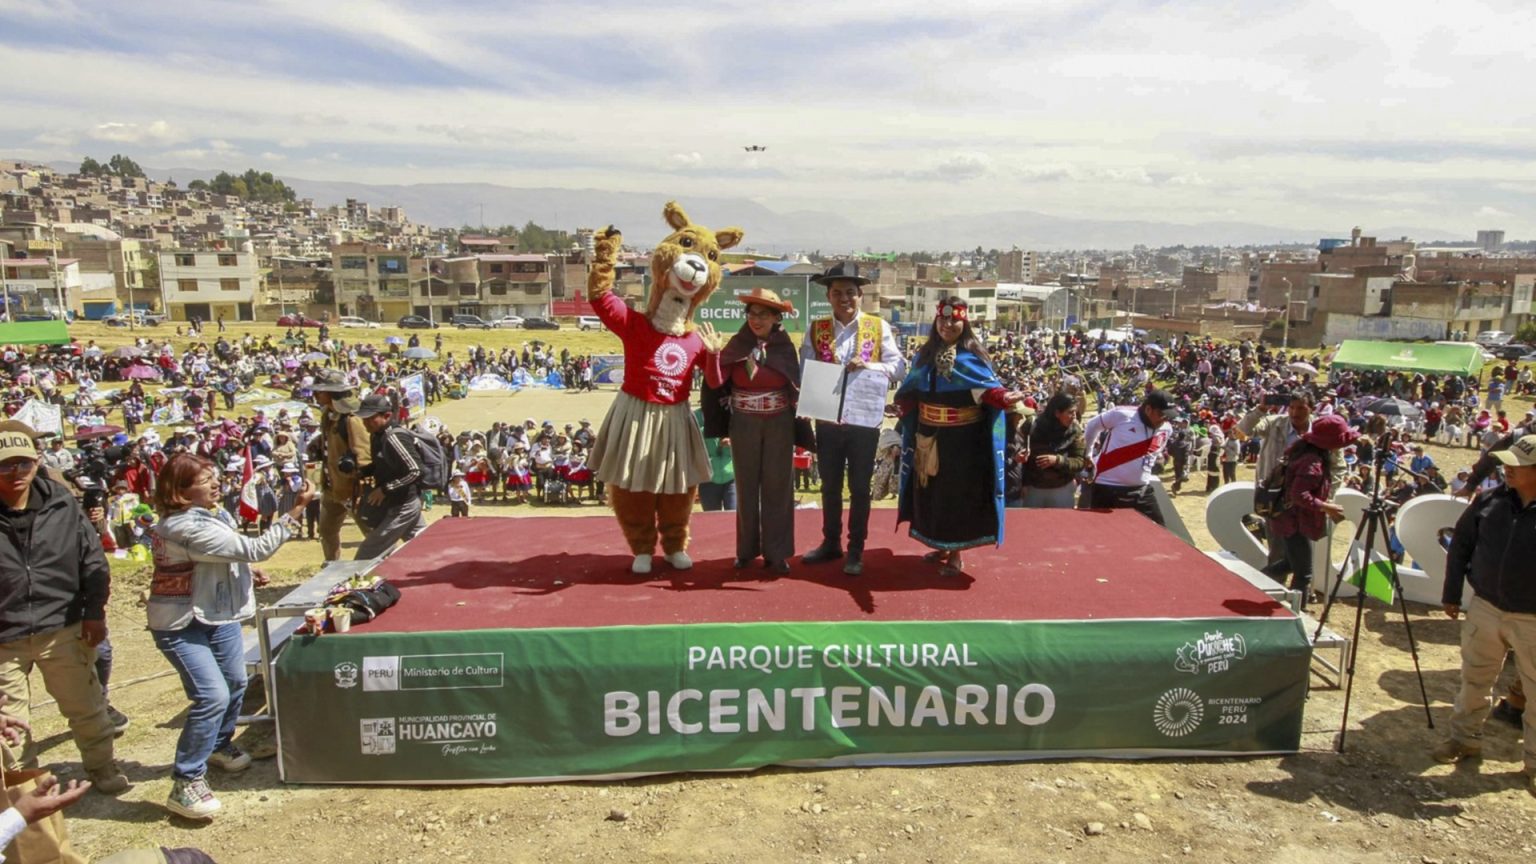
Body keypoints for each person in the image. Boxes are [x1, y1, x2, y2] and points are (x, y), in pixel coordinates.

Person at [149, 452, 315, 819]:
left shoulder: (212, 517)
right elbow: (254, 546)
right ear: (180, 490)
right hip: (180, 624)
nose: (216, 483)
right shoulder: (183, 527)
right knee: (211, 695)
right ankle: (186, 781)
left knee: (237, 681)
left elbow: (232, 555)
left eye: (214, 476)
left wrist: (244, 569)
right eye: (205, 479)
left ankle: (220, 744)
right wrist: (296, 510)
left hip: (217, 616)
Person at [0, 421, 129, 797]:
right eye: (5, 464)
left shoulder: (62, 504)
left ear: (37, 461)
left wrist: (94, 614)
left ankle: (103, 767)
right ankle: (24, 789)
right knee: (10, 724)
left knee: (86, 706)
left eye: (23, 463)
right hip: (4, 636)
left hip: (62, 624)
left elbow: (93, 562)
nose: (15, 472)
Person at [1434, 433, 1536, 797]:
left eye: (1516, 465)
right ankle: (1464, 739)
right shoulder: (1490, 500)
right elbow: (1461, 543)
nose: (1506, 469)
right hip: (1486, 606)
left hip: (1532, 619)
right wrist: (1451, 592)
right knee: (1475, 678)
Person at [894, 298, 1024, 577]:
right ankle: (938, 544)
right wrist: (901, 404)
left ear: (964, 323)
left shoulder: (972, 357)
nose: (947, 325)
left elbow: (987, 390)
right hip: (928, 435)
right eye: (943, 319)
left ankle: (956, 554)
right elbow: (911, 390)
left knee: (956, 496)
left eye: (954, 320)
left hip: (963, 441)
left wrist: (1004, 397)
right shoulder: (924, 356)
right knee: (931, 494)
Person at [799, 262, 905, 576]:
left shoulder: (877, 327)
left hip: (863, 422)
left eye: (850, 293)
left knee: (860, 487)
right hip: (828, 421)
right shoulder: (816, 329)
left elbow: (898, 367)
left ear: (860, 296)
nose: (844, 298)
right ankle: (831, 542)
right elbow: (805, 369)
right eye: (837, 293)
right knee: (829, 485)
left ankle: (856, 549)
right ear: (829, 297)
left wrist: (869, 366)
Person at [699, 287, 801, 574]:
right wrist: (713, 355)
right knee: (745, 487)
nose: (756, 319)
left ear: (775, 317)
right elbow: (716, 380)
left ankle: (776, 553)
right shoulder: (738, 343)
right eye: (751, 313)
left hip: (779, 423)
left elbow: (795, 384)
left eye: (763, 314)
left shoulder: (784, 346)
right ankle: (745, 551)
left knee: (778, 488)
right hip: (743, 423)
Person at [1262, 414, 1356, 606]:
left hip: (1289, 520)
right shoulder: (1312, 462)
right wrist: (1326, 507)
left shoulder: (1304, 453)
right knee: (1304, 573)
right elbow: (1299, 494)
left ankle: (1247, 580)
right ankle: (1298, 614)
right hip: (1295, 522)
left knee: (1290, 563)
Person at [1080, 390, 1175, 524]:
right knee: (1103, 534)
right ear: (1148, 409)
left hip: (1141, 490)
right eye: (1161, 414)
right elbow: (1092, 425)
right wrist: (1088, 453)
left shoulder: (1166, 429)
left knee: (1159, 532)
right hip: (1107, 487)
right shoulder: (1122, 414)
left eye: (1168, 416)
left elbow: (1153, 453)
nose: (1164, 419)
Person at [353, 394, 426, 560]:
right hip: (398, 502)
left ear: (386, 416)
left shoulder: (395, 437)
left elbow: (416, 471)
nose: (365, 424)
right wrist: (362, 472)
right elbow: (383, 464)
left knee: (369, 552)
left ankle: (355, 583)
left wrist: (385, 489)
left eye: (370, 419)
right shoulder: (376, 435)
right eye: (363, 419)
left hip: (403, 504)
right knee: (422, 546)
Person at [311, 369, 370, 561]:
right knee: (326, 531)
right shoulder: (328, 414)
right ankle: (331, 569)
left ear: (332, 392)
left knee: (374, 535)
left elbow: (364, 457)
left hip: (353, 490)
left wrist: (363, 490)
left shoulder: (352, 419)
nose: (316, 395)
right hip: (331, 487)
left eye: (320, 391)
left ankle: (388, 570)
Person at [1020, 391, 1086, 509]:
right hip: (1033, 490)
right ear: (1057, 413)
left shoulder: (1075, 431)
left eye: (1075, 412)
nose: (1074, 416)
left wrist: (1058, 460)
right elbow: (1018, 457)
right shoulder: (1032, 425)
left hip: (1062, 490)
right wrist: (1023, 483)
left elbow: (1080, 462)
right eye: (1070, 412)